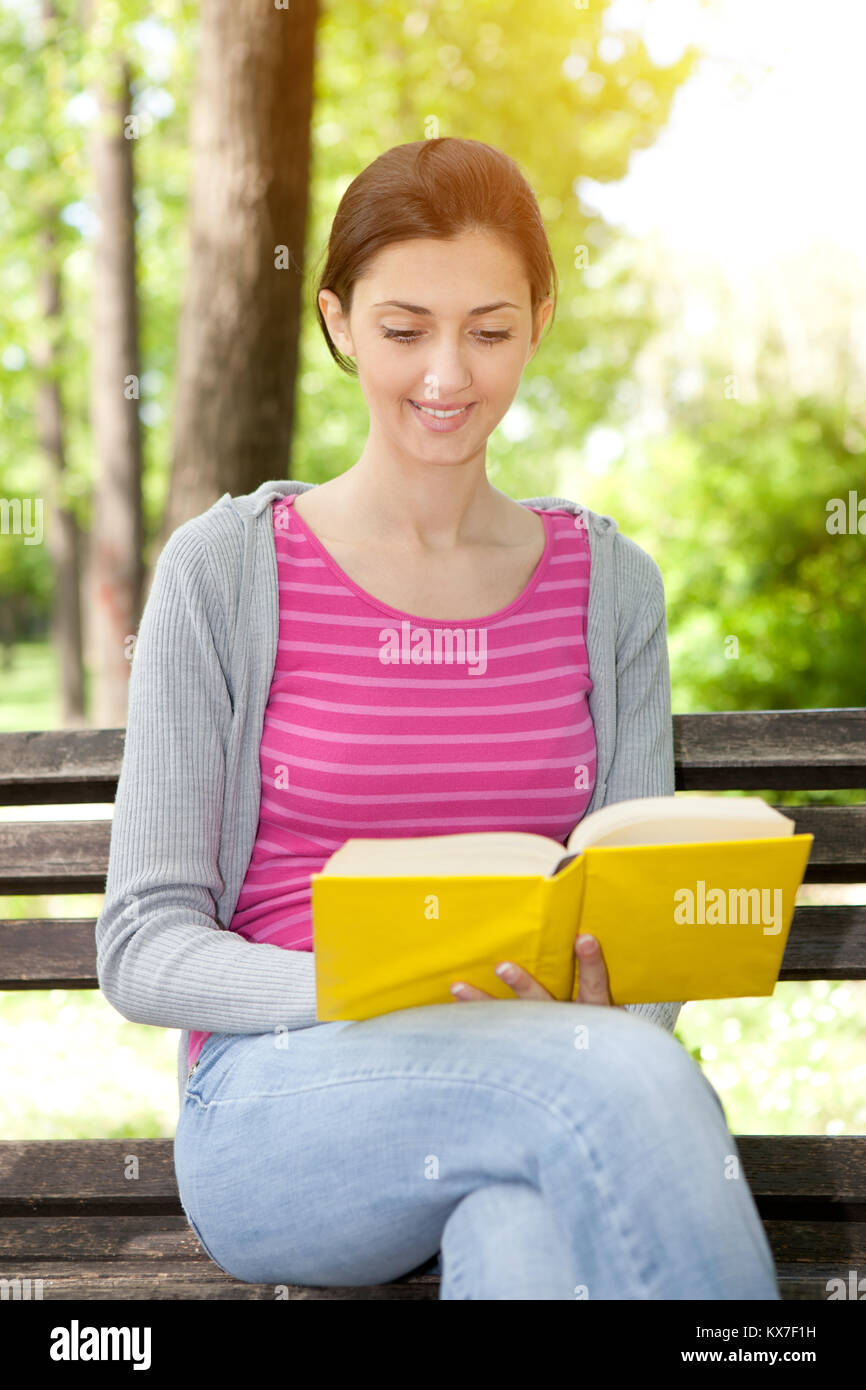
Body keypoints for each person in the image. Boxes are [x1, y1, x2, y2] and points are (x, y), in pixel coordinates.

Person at [96, 137, 781, 1299]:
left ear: (539, 321)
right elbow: (142, 944)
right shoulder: (225, 572)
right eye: (405, 329)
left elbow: (642, 919)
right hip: (283, 1104)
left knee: (526, 1233)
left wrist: (617, 992)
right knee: (613, 1080)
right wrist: (371, 980)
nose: (447, 374)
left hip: (537, 1089)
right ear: (338, 323)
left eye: (490, 329)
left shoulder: (608, 584)